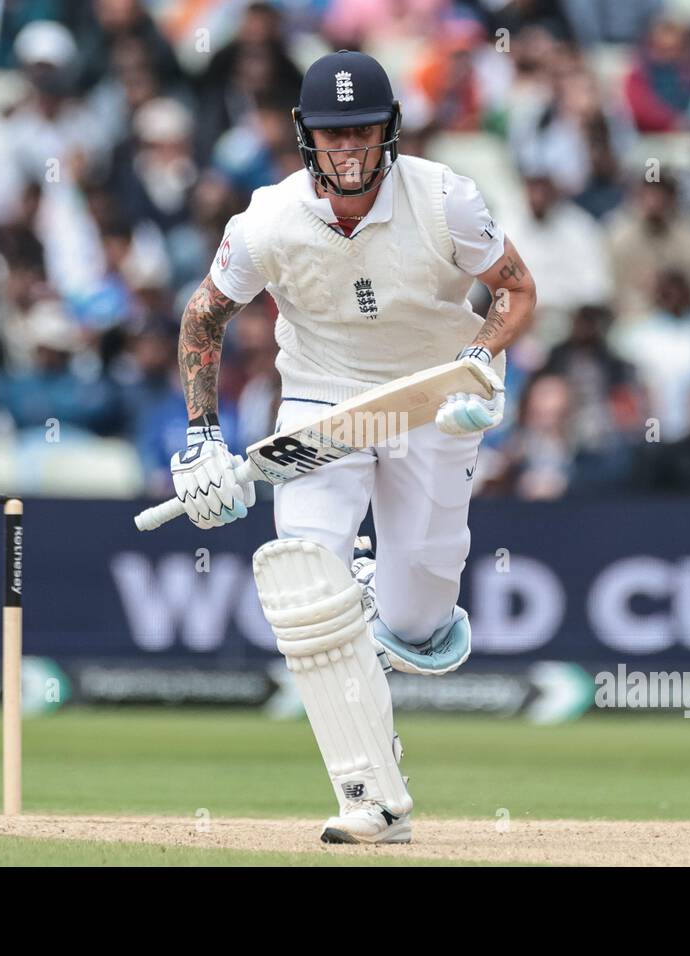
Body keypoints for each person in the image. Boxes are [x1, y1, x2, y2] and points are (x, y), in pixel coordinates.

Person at [167, 51, 535, 844]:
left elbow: (516, 289)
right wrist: (201, 440)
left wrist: (480, 369)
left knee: (419, 624)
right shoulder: (266, 219)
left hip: (432, 398)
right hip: (322, 404)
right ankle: (374, 797)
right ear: (306, 137)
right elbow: (203, 318)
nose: (350, 151)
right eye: (333, 135)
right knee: (304, 583)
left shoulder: (446, 199)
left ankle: (381, 599)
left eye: (363, 131)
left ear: (390, 131)